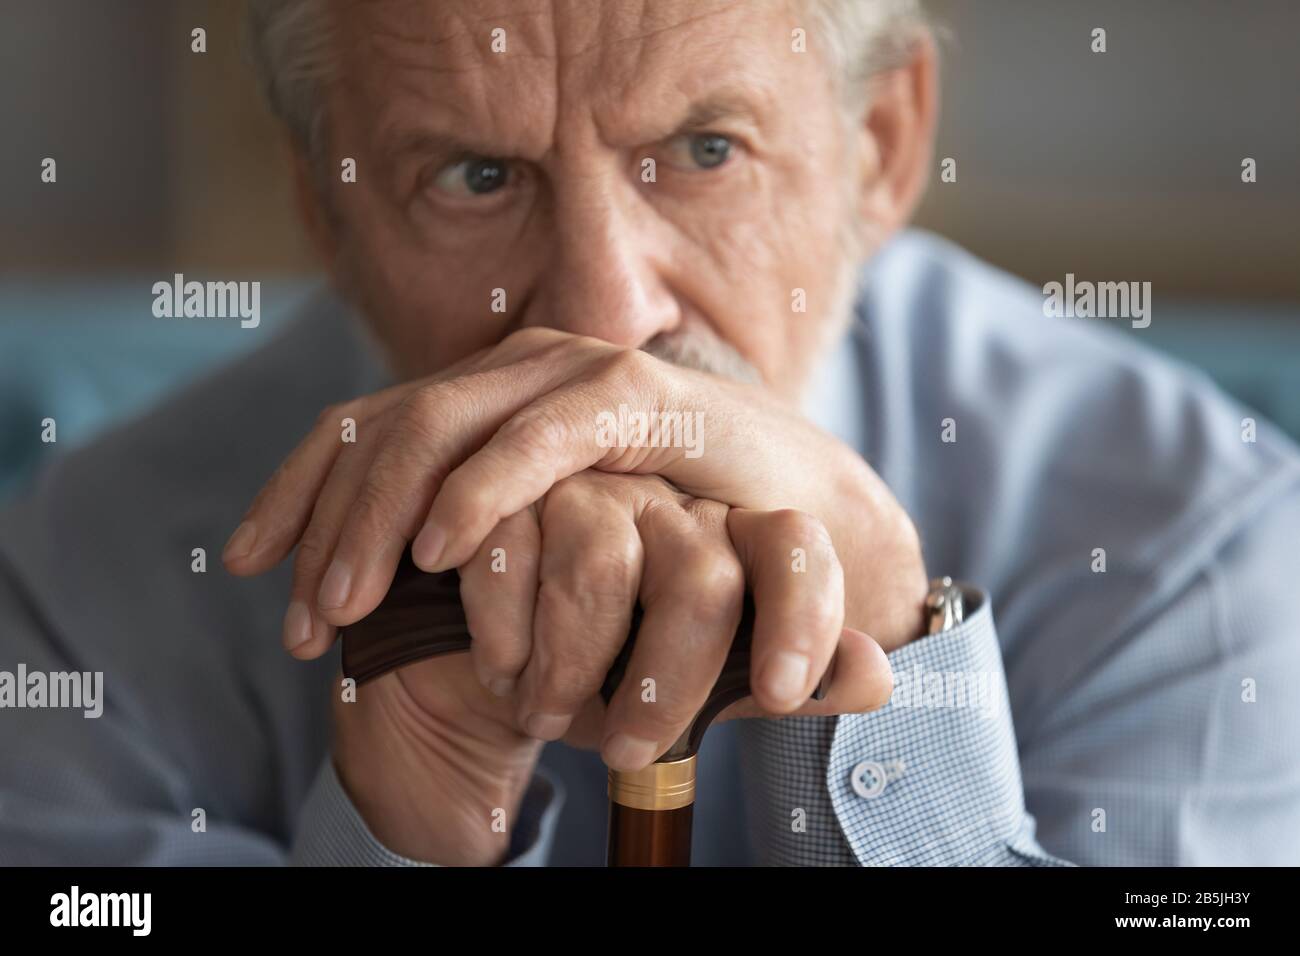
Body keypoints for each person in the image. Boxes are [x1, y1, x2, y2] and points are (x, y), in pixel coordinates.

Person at [1, 0, 1297, 866]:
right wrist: (411, 823)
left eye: (703, 149)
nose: (604, 316)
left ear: (881, 147)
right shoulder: (84, 589)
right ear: (327, 219)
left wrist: (896, 660)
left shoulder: (1200, 551)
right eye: (475, 177)